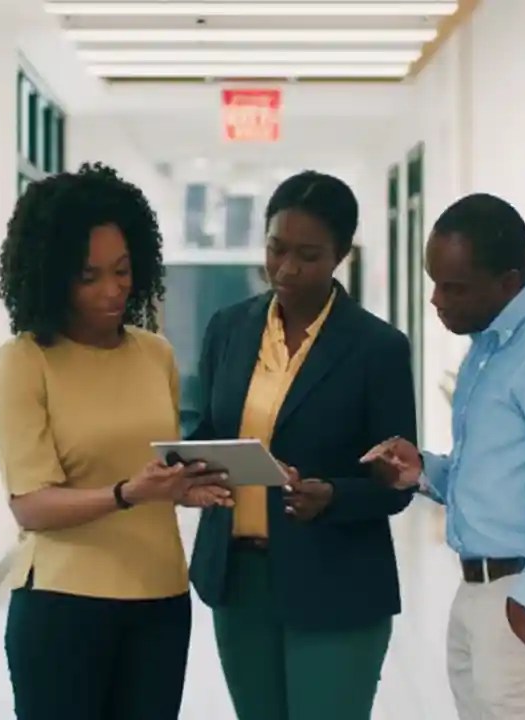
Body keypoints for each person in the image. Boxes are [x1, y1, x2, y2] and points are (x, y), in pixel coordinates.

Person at [0, 163, 232, 720]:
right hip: (62, 606)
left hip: (160, 601)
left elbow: (150, 469)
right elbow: (31, 505)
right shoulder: (25, 363)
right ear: (51, 276)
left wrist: (180, 490)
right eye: (88, 275)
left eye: (122, 270)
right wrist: (126, 494)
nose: (112, 289)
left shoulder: (155, 354)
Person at [363, 193, 525, 718]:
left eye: (453, 287)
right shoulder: (490, 350)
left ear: (507, 283)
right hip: (482, 592)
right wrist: (424, 472)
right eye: (433, 281)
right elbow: (496, 477)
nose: (436, 300)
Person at [187, 170, 418, 720]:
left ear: (340, 254)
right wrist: (189, 467)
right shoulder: (229, 328)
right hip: (239, 581)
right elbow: (207, 429)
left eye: (308, 255)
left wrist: (333, 496)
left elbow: (396, 484)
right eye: (276, 248)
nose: (286, 268)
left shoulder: (376, 348)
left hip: (334, 581)